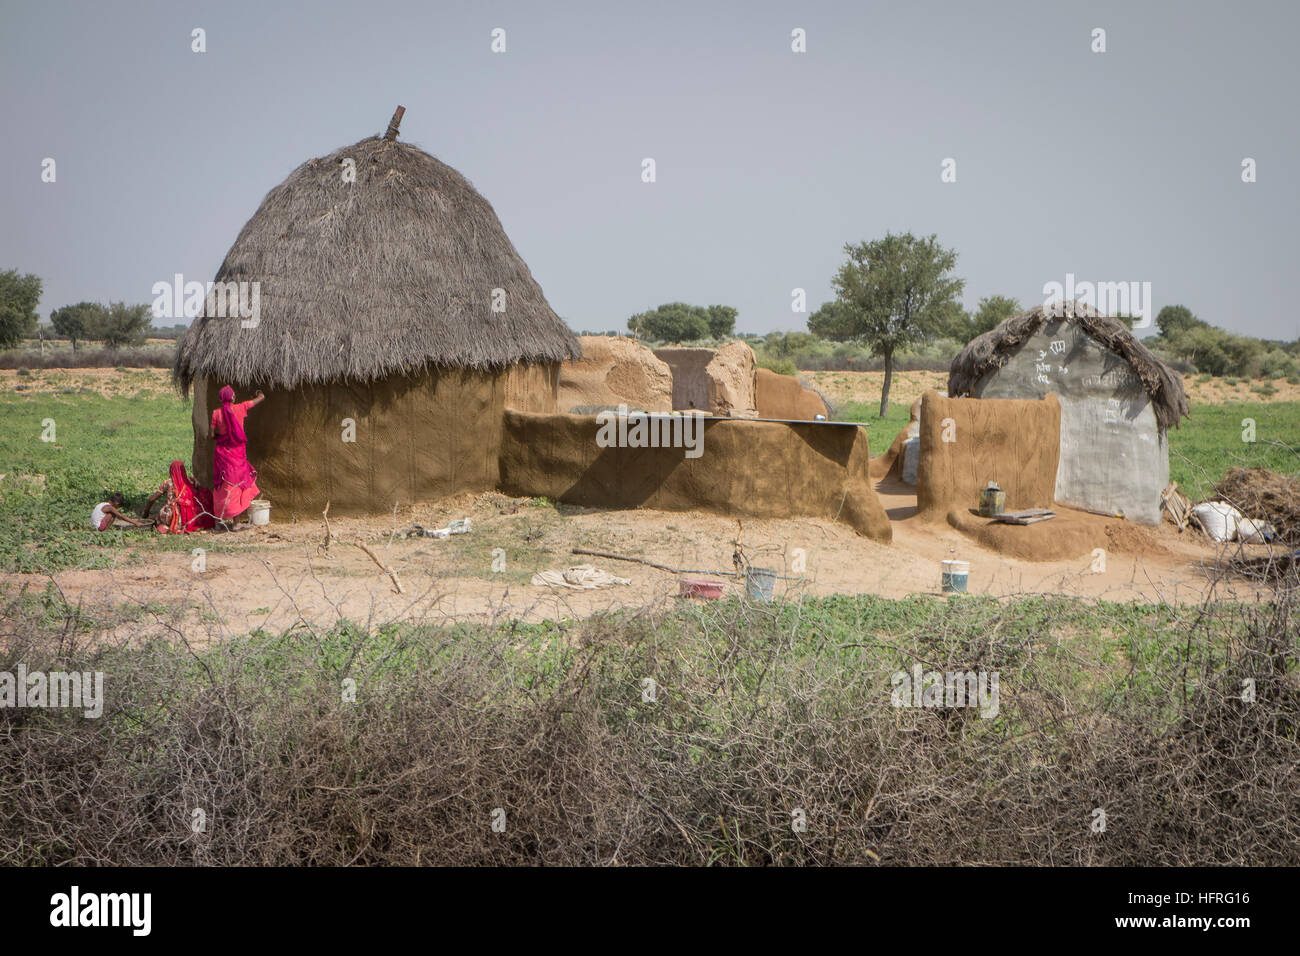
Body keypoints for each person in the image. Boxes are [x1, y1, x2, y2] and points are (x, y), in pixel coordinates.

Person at [211, 385, 264, 526]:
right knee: (237, 485)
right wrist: (259, 393)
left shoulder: (216, 413)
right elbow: (259, 399)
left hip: (222, 454)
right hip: (237, 455)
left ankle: (218, 522)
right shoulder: (241, 407)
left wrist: (221, 435)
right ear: (233, 397)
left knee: (222, 485)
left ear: (220, 399)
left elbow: (211, 434)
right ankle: (236, 523)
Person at [141, 460, 215, 534]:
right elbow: (201, 491)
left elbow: (152, 499)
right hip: (188, 516)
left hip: (171, 515)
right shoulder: (191, 481)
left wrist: (146, 512)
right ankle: (182, 525)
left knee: (161, 517)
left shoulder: (168, 483)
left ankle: (166, 526)